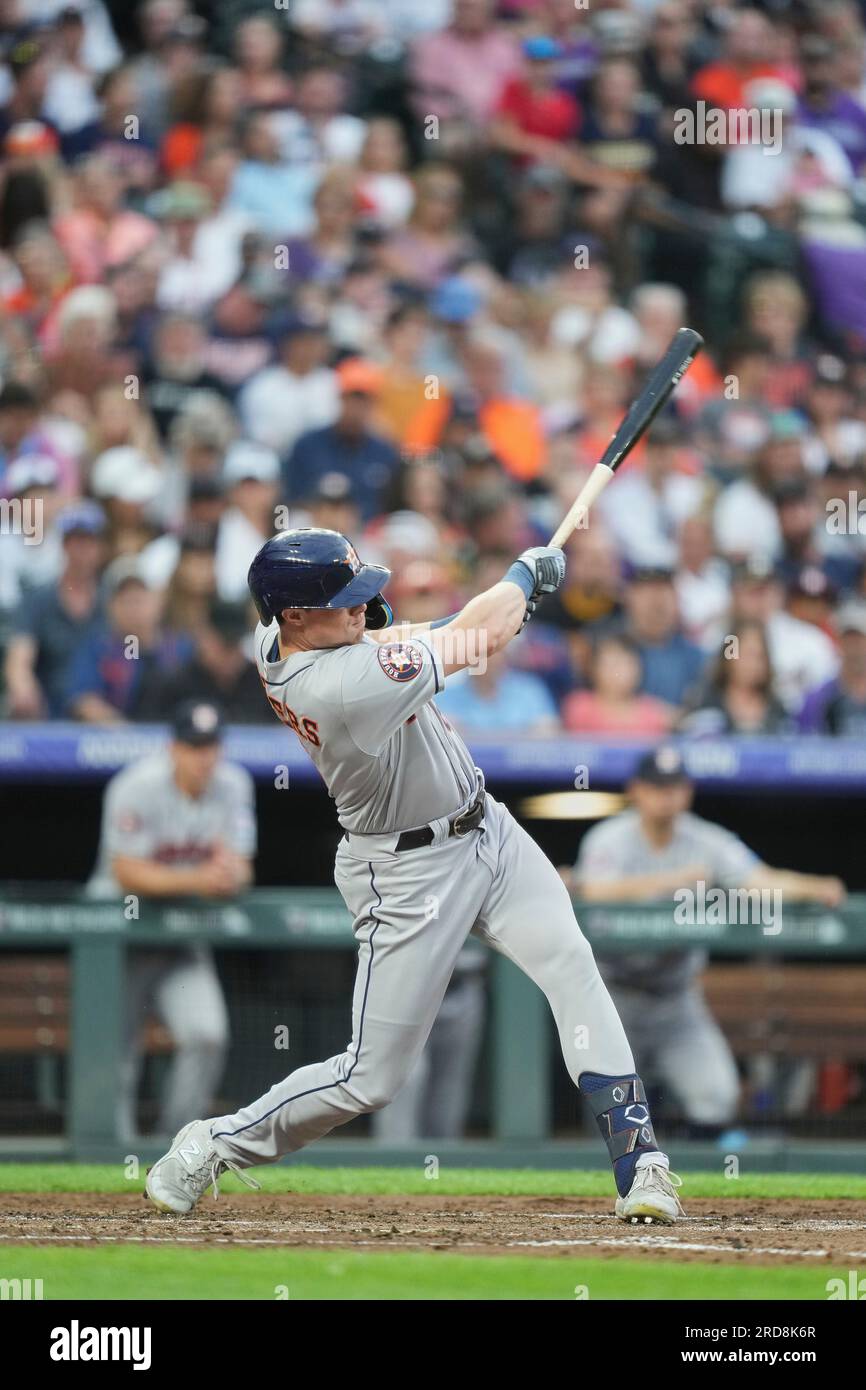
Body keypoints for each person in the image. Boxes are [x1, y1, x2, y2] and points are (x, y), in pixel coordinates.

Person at [147, 527, 685, 1225]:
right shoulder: (336, 686)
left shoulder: (287, 635)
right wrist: (520, 577)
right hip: (407, 873)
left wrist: (501, 604)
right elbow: (476, 638)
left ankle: (641, 1163)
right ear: (295, 618)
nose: (361, 610)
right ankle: (213, 1144)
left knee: (571, 964)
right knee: (371, 1078)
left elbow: (425, 632)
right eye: (341, 601)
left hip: (484, 826)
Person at [564, 746, 846, 1136]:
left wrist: (816, 887)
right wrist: (672, 880)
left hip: (676, 1001)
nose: (667, 795)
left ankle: (683, 1177)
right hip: (614, 997)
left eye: (675, 786)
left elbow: (759, 880)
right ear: (637, 790)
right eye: (657, 786)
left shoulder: (706, 840)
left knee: (717, 1097)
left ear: (688, 791)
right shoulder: (609, 838)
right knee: (607, 1113)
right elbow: (593, 892)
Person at [88, 700, 256, 1141]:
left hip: (181, 937)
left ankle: (175, 1150)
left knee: (207, 1036)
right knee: (115, 1052)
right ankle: (110, 1153)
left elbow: (242, 864)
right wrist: (201, 877)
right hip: (118, 938)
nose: (205, 756)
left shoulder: (234, 784)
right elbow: (126, 871)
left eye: (212, 746)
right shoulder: (136, 785)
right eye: (194, 746)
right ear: (173, 748)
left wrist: (231, 874)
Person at [4, 499, 106, 719]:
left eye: (89, 541)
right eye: (75, 541)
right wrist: (23, 687)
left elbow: (132, 654)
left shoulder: (111, 601)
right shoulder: (39, 599)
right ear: (64, 545)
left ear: (100, 547)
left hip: (103, 704)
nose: (82, 550)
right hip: (49, 708)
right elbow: (19, 658)